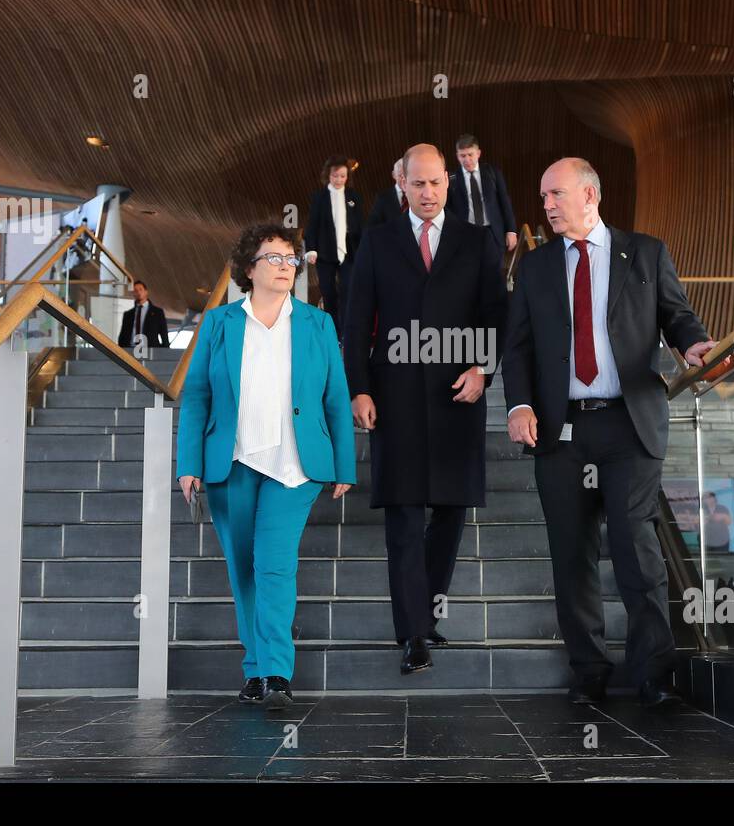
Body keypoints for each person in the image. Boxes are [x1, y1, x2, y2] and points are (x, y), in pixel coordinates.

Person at [502, 157, 717, 711]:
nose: (546, 205)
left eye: (556, 194)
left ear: (590, 194)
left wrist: (693, 344)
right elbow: (519, 346)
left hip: (629, 423)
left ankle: (653, 672)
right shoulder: (536, 266)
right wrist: (520, 404)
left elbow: (678, 314)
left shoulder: (645, 252)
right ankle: (589, 669)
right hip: (561, 431)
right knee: (571, 554)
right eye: (543, 195)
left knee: (636, 549)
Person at [176, 223, 356, 710]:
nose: (284, 266)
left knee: (274, 564)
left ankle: (275, 669)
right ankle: (255, 669)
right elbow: (196, 396)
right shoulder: (219, 323)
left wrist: (344, 465)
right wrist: (188, 462)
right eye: (273, 258)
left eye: (290, 258)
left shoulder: (318, 324)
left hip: (294, 465)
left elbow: (336, 398)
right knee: (243, 569)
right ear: (248, 269)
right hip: (230, 461)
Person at [343, 143, 506, 675]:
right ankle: (413, 631)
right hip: (396, 398)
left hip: (459, 395)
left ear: (449, 183)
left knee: (451, 513)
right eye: (419, 184)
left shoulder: (477, 241)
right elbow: (356, 319)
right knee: (405, 517)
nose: (429, 193)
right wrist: (359, 389)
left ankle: (428, 610)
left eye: (437, 183)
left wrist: (483, 369)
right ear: (403, 186)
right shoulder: (378, 240)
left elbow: (494, 314)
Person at [305, 155, 364, 339]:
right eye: (335, 176)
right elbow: (312, 224)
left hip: (349, 252)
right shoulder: (319, 197)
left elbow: (360, 225)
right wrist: (311, 249)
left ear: (347, 177)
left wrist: (364, 251)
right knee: (329, 292)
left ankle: (347, 332)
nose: (339, 180)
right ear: (328, 176)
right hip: (325, 252)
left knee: (348, 291)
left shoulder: (353, 196)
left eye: (343, 176)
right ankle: (333, 333)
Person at [446, 134, 518, 257]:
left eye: (470, 154)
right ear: (457, 156)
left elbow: (504, 201)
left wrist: (511, 230)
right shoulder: (451, 179)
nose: (467, 159)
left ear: (478, 153)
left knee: (494, 270)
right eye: (463, 156)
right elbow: (448, 209)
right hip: (466, 232)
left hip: (492, 231)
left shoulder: (492, 172)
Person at [117, 280, 169, 348]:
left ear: (146, 292)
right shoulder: (128, 314)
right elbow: (122, 336)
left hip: (150, 350)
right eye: (135, 290)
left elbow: (164, 334)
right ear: (133, 294)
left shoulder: (158, 312)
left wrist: (165, 352)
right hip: (130, 350)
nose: (138, 292)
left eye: (140, 289)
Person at [366, 158, 408, 229]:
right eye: (400, 175)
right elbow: (372, 224)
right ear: (393, 175)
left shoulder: (418, 193)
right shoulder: (383, 198)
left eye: (406, 175)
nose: (403, 179)